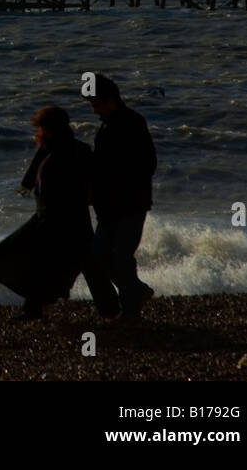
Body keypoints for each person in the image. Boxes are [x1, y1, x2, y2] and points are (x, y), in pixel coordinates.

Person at [0, 106, 119, 320]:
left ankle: (109, 310)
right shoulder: (65, 149)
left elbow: (87, 186)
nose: (39, 132)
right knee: (78, 265)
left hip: (55, 220)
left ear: (49, 129)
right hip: (68, 219)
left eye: (41, 128)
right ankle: (109, 310)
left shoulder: (60, 153)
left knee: (37, 260)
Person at [83, 74, 156, 318]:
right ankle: (137, 292)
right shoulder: (108, 124)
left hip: (130, 204)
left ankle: (131, 310)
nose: (94, 111)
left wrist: (113, 184)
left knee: (121, 256)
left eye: (96, 105)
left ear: (110, 101)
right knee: (101, 256)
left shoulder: (131, 122)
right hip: (110, 206)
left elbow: (147, 163)